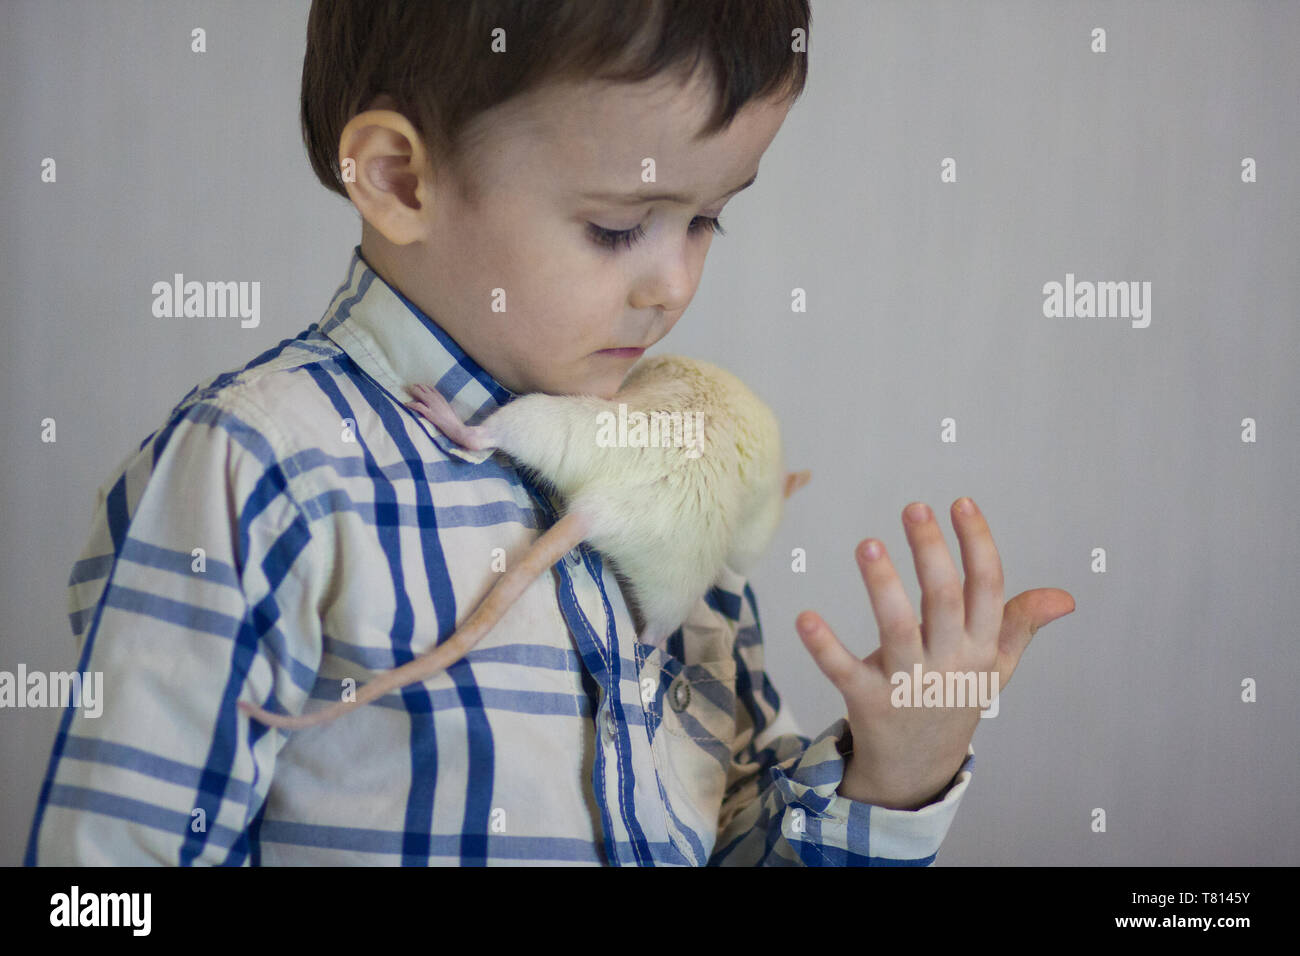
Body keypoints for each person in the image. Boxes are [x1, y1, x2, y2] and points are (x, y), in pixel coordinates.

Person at [26, 0, 1073, 866]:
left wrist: (892, 775)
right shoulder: (263, 467)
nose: (672, 284)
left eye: (708, 218)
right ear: (397, 179)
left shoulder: (679, 467)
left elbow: (729, 832)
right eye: (619, 227)